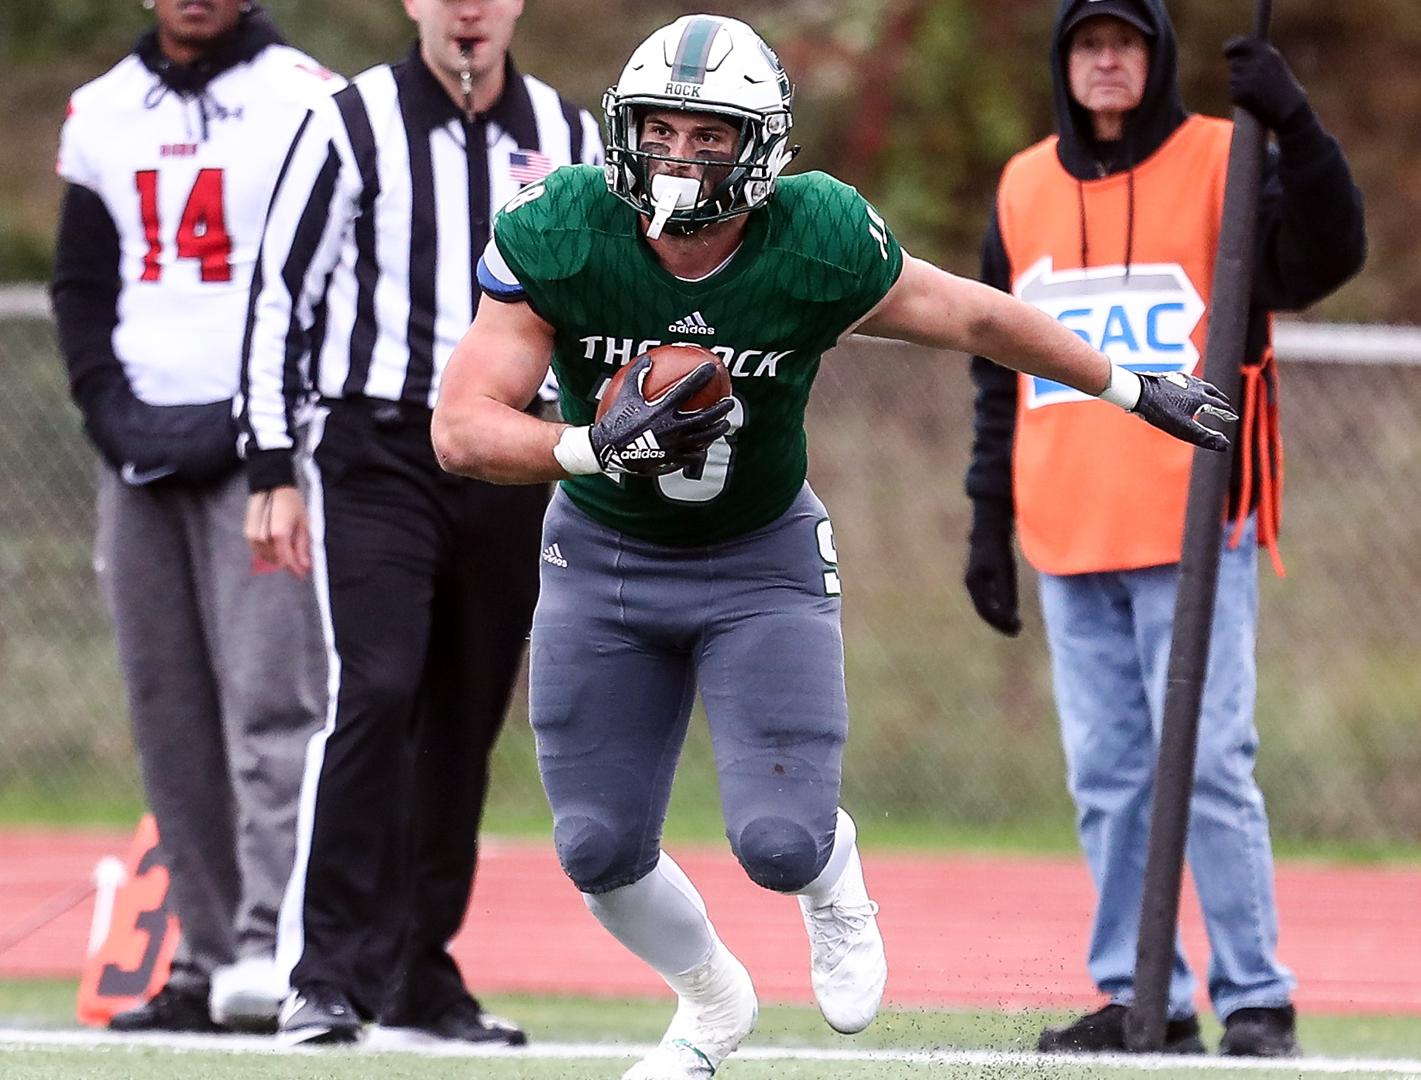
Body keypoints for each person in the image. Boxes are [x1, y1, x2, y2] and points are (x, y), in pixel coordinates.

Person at [426, 14, 1239, 1079]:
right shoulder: (569, 230)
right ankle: (711, 1005)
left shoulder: (813, 241)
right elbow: (460, 426)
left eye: (708, 135)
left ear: (758, 146)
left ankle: (833, 875)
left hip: (757, 560)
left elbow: (977, 318)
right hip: (607, 556)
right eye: (661, 129)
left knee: (779, 842)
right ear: (624, 131)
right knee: (596, 847)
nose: (679, 155)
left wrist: (1132, 387)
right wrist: (589, 444)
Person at [963, 0, 1365, 1057]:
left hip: (1192, 525)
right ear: (1064, 60)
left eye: (1125, 43)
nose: (1106, 61)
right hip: (1064, 529)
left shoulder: (1225, 160)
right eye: (1087, 44)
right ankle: (1147, 995)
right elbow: (995, 367)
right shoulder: (1022, 185)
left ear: (1157, 57)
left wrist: (1298, 126)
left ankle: (1256, 995)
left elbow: (1326, 258)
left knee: (1214, 763)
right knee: (1106, 777)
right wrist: (984, 520)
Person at [238, 0, 603, 1050]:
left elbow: (604, 292)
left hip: (504, 454)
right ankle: (324, 973)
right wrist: (272, 464)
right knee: (381, 687)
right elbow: (280, 294)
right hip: (378, 448)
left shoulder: (569, 136)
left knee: (466, 714)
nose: (470, 9)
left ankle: (421, 971)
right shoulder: (348, 122)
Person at [50, 0, 343, 1034]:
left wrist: (269, 427)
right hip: (137, 450)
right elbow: (82, 286)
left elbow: (336, 278)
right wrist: (108, 410)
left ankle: (280, 947)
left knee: (275, 705)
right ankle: (210, 955)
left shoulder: (309, 102)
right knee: (166, 709)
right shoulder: (100, 112)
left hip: (265, 451)